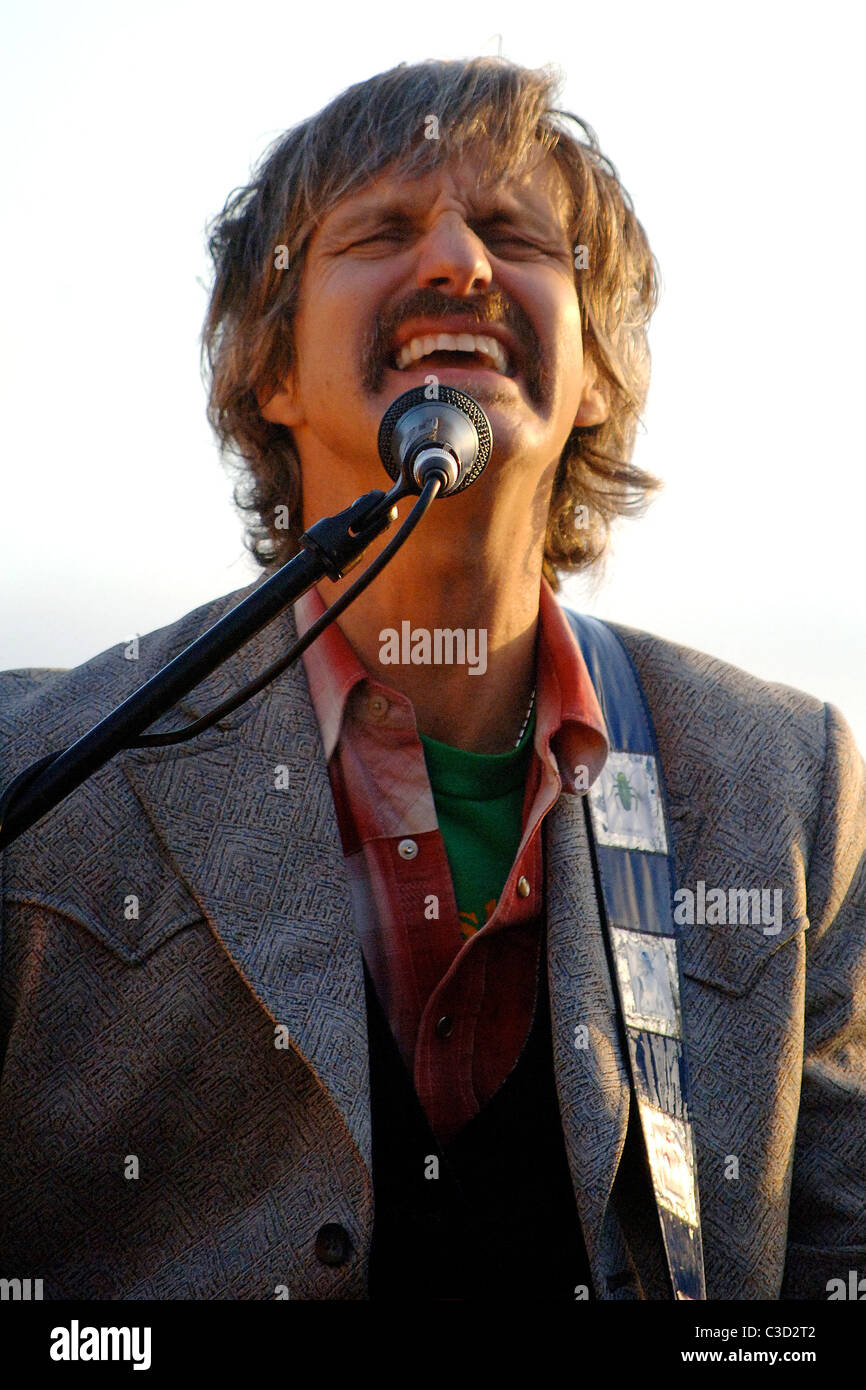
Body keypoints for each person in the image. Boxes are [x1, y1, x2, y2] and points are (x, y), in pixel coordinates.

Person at [0, 57, 864, 1302]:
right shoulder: (38, 769)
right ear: (270, 368)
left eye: (515, 234)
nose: (458, 260)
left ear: (597, 376)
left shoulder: (786, 786)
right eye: (383, 230)